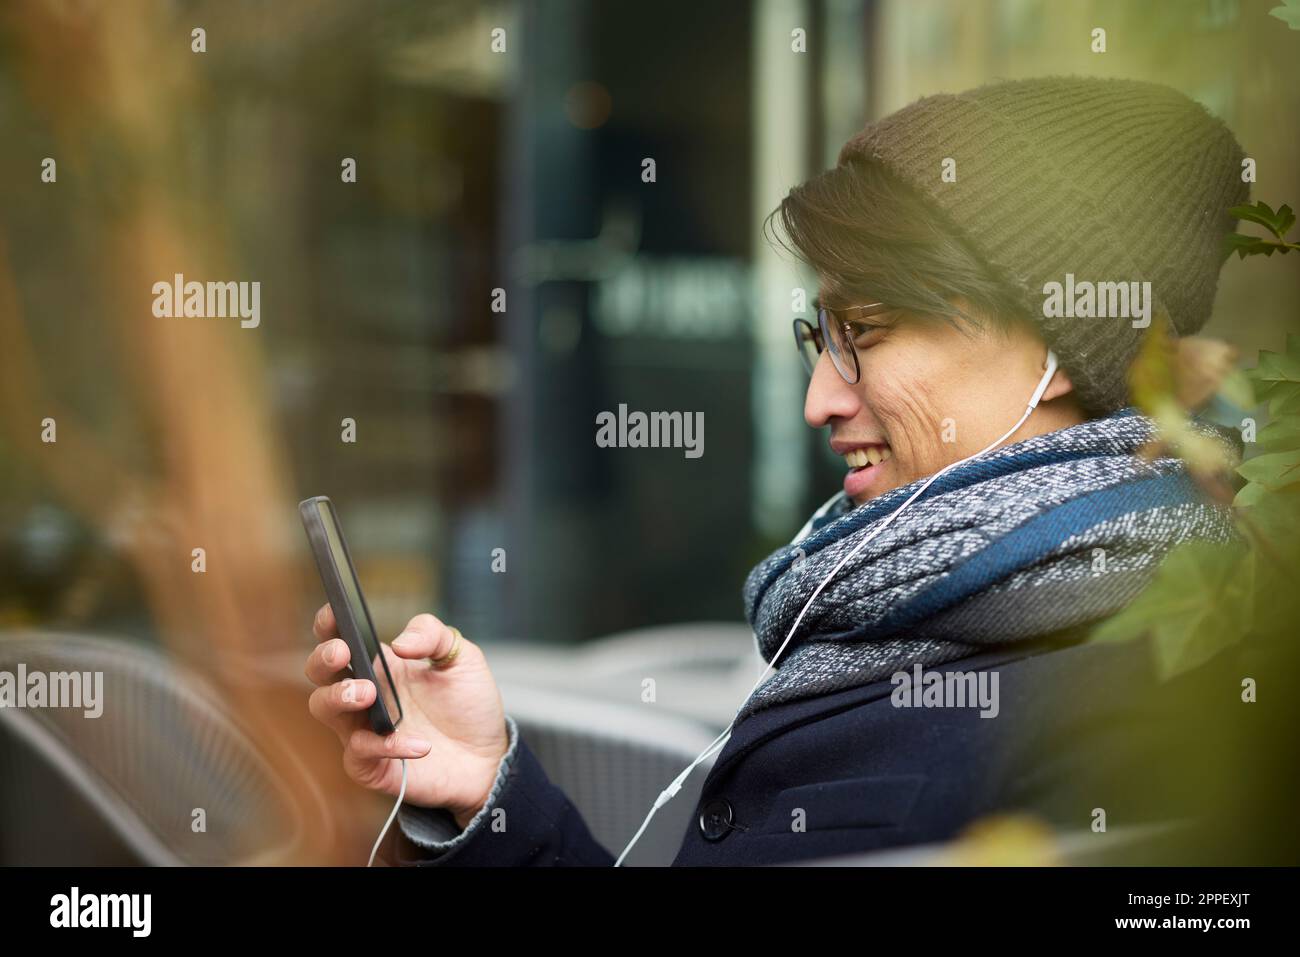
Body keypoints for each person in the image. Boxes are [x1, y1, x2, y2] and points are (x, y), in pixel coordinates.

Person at [304, 76, 1249, 866]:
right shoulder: (903, 602)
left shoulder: (1143, 703)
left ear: (1055, 344)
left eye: (865, 334)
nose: (820, 403)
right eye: (820, 339)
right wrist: (489, 790)